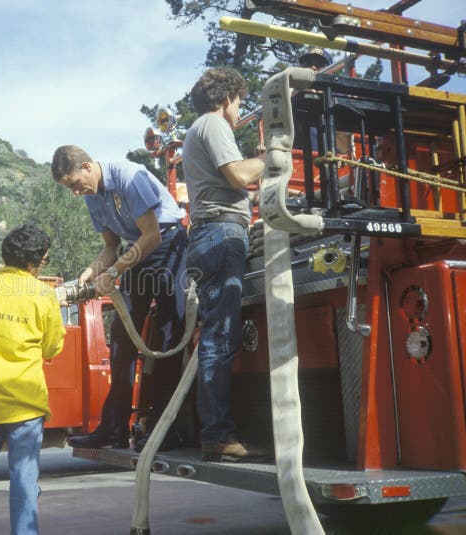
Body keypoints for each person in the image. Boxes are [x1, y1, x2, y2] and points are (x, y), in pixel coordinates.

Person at [51, 145, 187, 452]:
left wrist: (113, 272)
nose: (75, 192)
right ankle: (113, 428)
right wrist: (91, 271)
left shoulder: (129, 176)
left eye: (74, 184)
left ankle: (162, 429)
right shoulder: (92, 195)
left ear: (86, 167)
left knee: (168, 338)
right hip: (136, 252)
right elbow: (111, 246)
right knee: (121, 340)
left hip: (167, 246)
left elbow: (153, 235)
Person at [0, 223, 66, 535]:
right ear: (34, 262)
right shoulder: (43, 295)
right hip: (26, 405)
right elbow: (52, 346)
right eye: (43, 260)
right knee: (23, 480)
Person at [182, 67, 266, 462]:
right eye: (239, 101)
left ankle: (214, 431)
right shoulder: (214, 124)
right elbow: (236, 176)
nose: (240, 110)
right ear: (227, 97)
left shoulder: (196, 129)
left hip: (208, 236)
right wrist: (269, 160)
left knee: (216, 334)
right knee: (220, 337)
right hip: (221, 234)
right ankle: (217, 435)